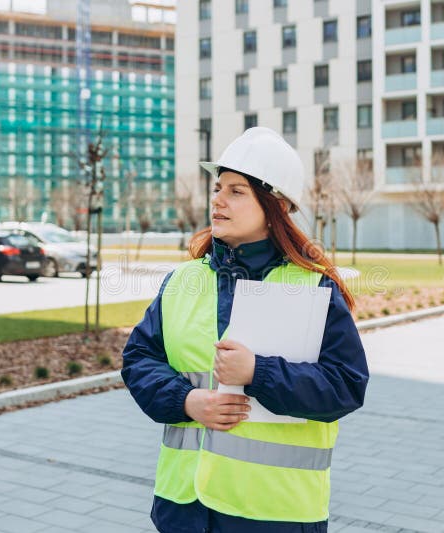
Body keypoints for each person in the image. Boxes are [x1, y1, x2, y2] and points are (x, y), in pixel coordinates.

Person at [121, 127, 369, 533]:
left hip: (274, 514)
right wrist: (188, 401)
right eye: (218, 188)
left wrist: (259, 372)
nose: (217, 199)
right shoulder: (183, 280)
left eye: (236, 191)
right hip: (184, 510)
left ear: (276, 206)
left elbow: (345, 385)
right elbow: (138, 360)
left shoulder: (314, 286)